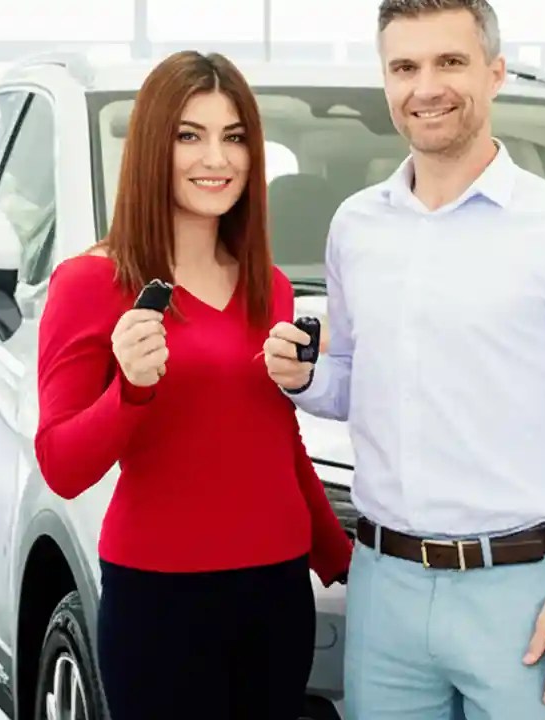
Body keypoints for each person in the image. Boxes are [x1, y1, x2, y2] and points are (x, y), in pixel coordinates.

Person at [262, 1, 545, 718]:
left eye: (450, 62)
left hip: (523, 594)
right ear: (385, 82)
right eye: (405, 67)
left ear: (495, 73)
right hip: (385, 591)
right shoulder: (356, 226)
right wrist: (306, 378)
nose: (425, 86)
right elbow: (354, 379)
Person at [34, 50, 352, 720]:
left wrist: (343, 560)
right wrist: (131, 390)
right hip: (161, 600)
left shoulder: (270, 285)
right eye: (190, 135)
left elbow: (276, 439)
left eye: (234, 137)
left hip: (276, 595)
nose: (218, 158)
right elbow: (62, 463)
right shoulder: (91, 284)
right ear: (154, 147)